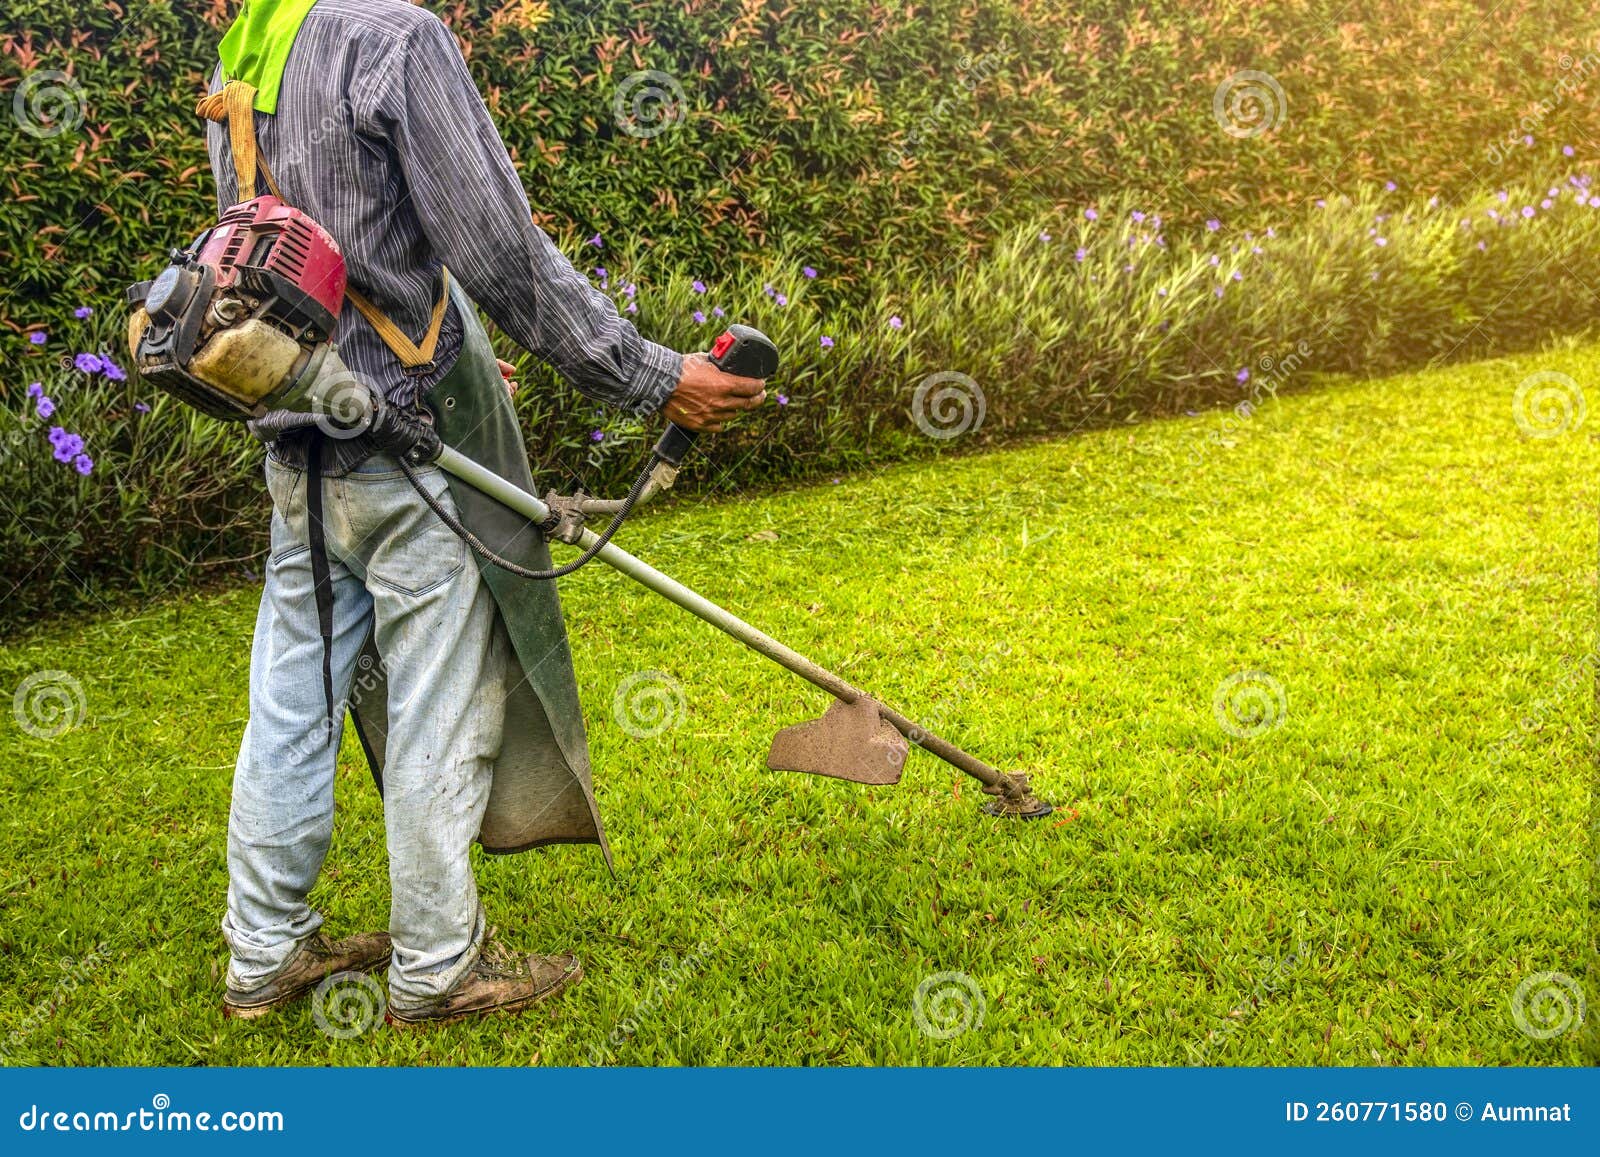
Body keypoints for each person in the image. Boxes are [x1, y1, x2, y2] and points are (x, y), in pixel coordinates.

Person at [205, 0, 767, 1026]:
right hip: (405, 452)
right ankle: (437, 966)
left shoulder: (250, 39)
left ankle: (262, 954)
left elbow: (303, 256)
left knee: (289, 707)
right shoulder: (392, 36)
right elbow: (498, 245)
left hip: (299, 439)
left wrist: (442, 334)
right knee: (438, 701)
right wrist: (649, 377)